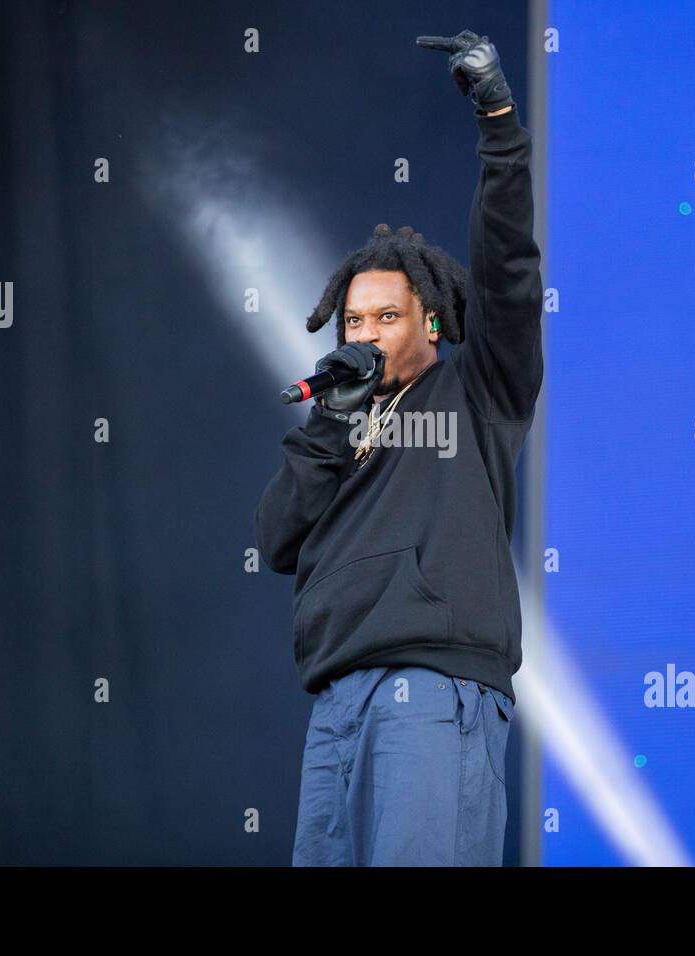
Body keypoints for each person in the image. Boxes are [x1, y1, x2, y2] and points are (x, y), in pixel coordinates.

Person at [254, 29, 542, 866]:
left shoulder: (478, 388)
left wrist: (497, 123)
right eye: (354, 319)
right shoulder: (337, 419)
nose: (368, 331)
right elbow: (274, 540)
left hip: (432, 690)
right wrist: (328, 426)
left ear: (431, 320)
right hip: (337, 702)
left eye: (387, 315)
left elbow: (509, 271)